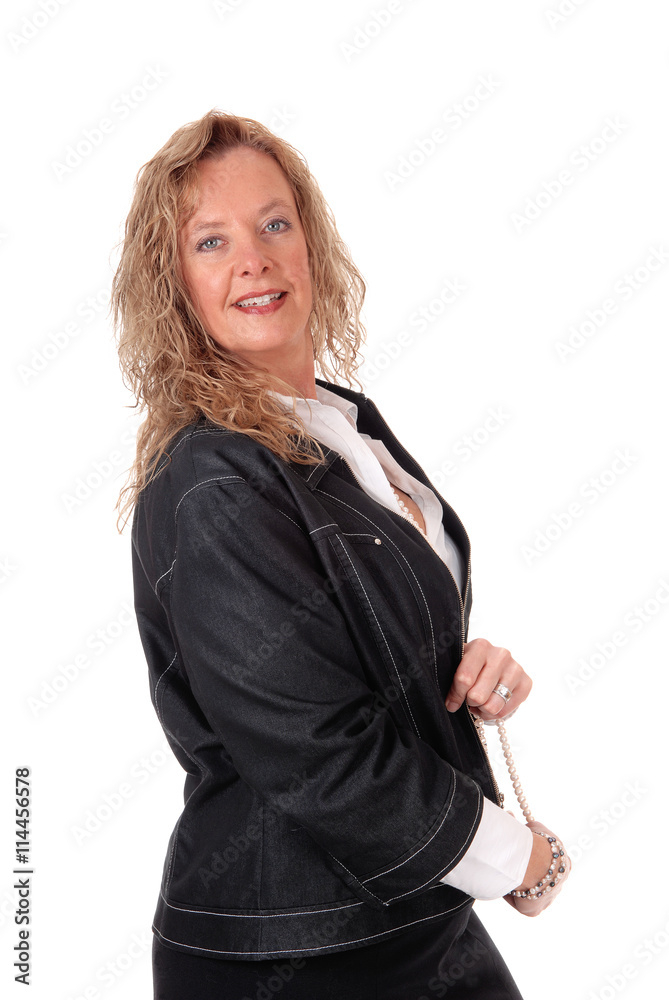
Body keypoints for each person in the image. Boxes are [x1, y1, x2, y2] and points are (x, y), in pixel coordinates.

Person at [111, 109, 570, 999]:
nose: (254, 258)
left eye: (274, 223)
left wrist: (465, 667)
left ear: (311, 243)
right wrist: (521, 860)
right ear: (172, 284)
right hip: (290, 951)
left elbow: (357, 643)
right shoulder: (215, 481)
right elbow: (315, 751)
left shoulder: (337, 428)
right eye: (210, 241)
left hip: (405, 911)